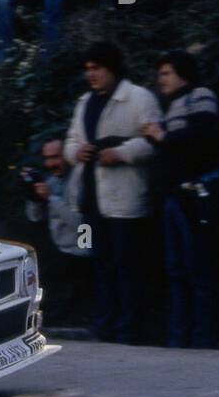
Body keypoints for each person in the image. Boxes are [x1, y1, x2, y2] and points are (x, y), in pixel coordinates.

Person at [63, 42, 161, 344]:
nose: (91, 74)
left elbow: (155, 142)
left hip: (126, 199)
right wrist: (77, 152)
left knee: (128, 267)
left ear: (113, 69)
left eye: (97, 68)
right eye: (87, 69)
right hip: (93, 198)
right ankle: (105, 327)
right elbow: (70, 141)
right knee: (102, 265)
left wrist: (121, 153)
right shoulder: (85, 102)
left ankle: (131, 330)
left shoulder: (139, 98)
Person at [141, 50, 219, 347]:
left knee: (198, 268)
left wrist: (161, 137)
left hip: (193, 197)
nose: (160, 79)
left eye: (166, 73)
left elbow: (203, 138)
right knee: (177, 270)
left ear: (182, 73)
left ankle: (202, 338)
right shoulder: (173, 105)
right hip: (173, 198)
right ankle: (179, 338)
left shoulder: (200, 96)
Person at [24, 138, 92, 322]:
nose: (51, 163)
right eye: (48, 158)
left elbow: (82, 225)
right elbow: (35, 217)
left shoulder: (80, 180)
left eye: (56, 157)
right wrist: (33, 196)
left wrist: (51, 199)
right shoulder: (52, 181)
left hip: (82, 250)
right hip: (60, 248)